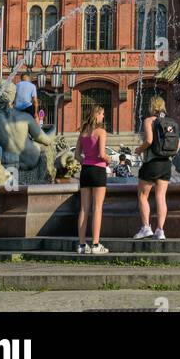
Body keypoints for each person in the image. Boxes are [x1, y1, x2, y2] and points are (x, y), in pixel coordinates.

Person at [134, 96, 180, 241]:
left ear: (151, 106)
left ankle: (146, 227)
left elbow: (149, 140)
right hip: (166, 163)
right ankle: (160, 230)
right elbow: (178, 146)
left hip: (152, 163)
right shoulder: (171, 122)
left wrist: (139, 150)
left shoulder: (150, 120)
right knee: (161, 197)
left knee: (143, 195)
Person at [74, 105, 111, 255]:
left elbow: (77, 155)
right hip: (98, 170)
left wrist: (86, 162)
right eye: (102, 114)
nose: (103, 117)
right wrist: (108, 160)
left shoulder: (83, 132)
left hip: (86, 171)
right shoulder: (101, 132)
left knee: (83, 208)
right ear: (97, 115)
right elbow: (102, 154)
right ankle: (95, 244)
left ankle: (81, 245)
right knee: (97, 208)